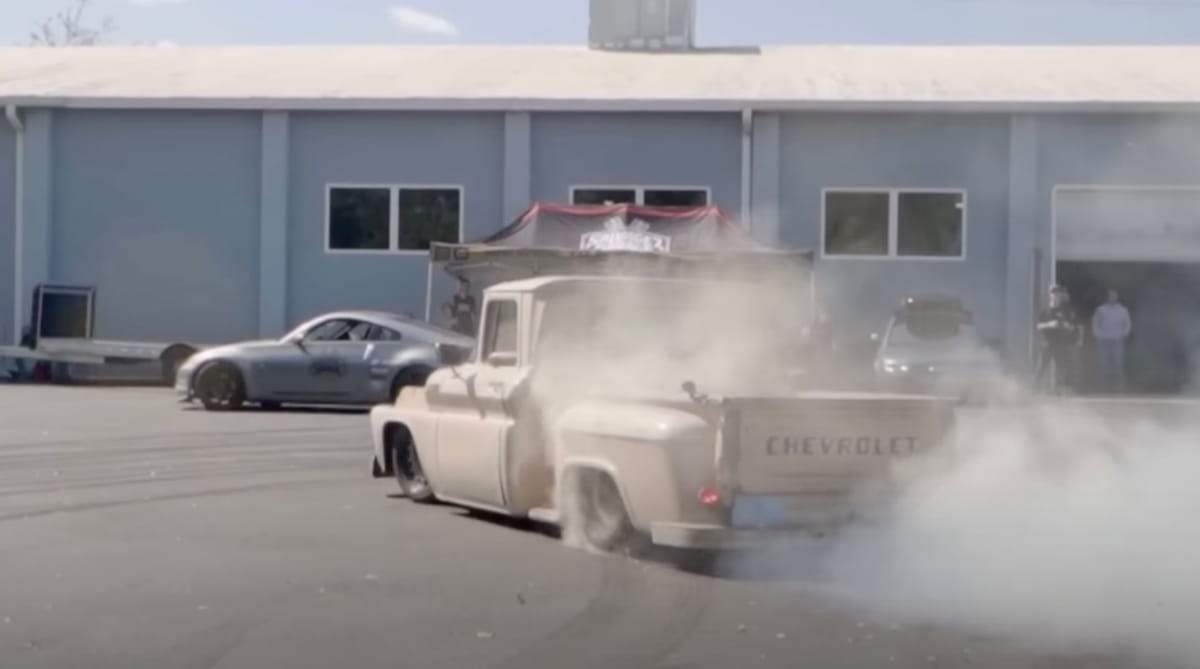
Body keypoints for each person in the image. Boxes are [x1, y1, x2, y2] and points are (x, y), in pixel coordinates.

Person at [1036, 284, 1082, 394]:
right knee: (1041, 367)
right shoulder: (1045, 311)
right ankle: (1035, 389)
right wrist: (1050, 324)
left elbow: (1073, 327)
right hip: (1047, 343)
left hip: (1061, 344)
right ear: (1050, 295)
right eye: (1054, 293)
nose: (1056, 296)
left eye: (1058, 294)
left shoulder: (1066, 310)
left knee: (1061, 369)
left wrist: (1066, 325)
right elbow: (1038, 326)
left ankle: (1058, 390)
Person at [1091, 288, 1132, 393]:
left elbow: (1127, 324)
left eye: (1114, 296)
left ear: (1117, 297)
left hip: (1118, 340)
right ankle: (1102, 387)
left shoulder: (1123, 310)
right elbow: (1095, 323)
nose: (1112, 297)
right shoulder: (1101, 310)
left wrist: (1124, 334)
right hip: (1104, 340)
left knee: (1118, 365)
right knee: (1102, 364)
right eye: (1110, 295)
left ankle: (1119, 387)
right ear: (1107, 297)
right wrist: (1098, 335)